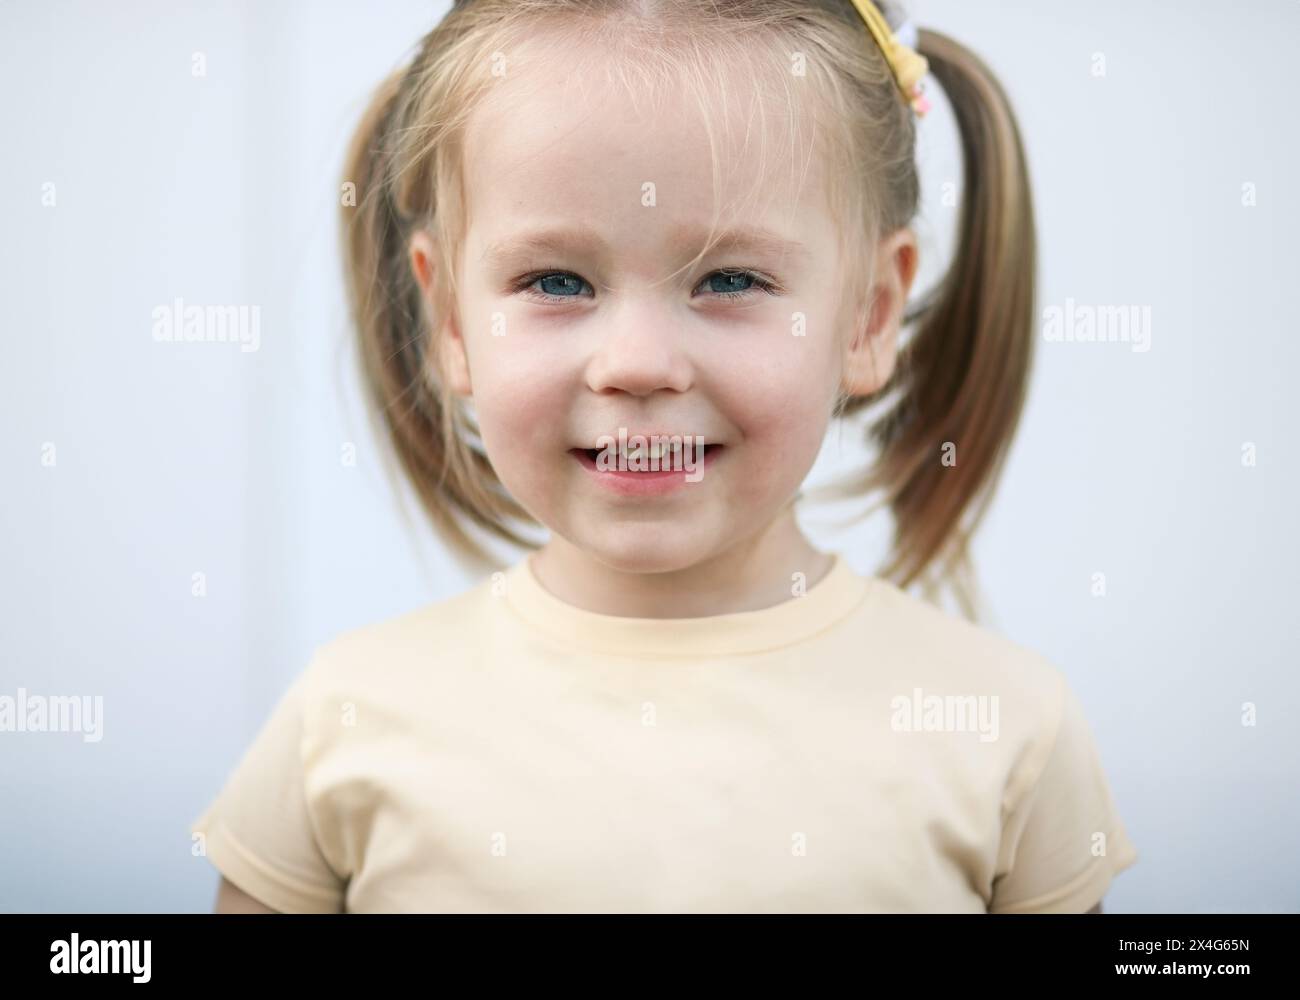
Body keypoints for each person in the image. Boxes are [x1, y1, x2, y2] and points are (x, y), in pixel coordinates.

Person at [191, 0, 1137, 913]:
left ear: (868, 314)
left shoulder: (1005, 732)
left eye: (732, 279)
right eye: (555, 280)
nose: (637, 364)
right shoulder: (344, 726)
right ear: (450, 319)